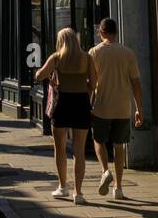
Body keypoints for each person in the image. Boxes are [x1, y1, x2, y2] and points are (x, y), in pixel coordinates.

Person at [35, 28, 98, 205]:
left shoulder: (56, 58)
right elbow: (93, 83)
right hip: (81, 104)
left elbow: (39, 75)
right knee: (79, 151)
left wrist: (52, 76)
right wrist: (82, 88)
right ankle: (78, 193)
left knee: (60, 149)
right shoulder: (87, 58)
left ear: (61, 41)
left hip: (62, 104)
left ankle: (63, 186)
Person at [89, 18, 144, 200]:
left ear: (102, 33)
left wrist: (88, 103)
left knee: (99, 140)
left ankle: (105, 170)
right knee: (119, 146)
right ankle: (119, 189)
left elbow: (91, 83)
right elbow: (136, 83)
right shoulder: (128, 53)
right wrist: (139, 109)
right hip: (122, 107)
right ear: (115, 32)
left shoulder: (94, 53)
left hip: (102, 106)